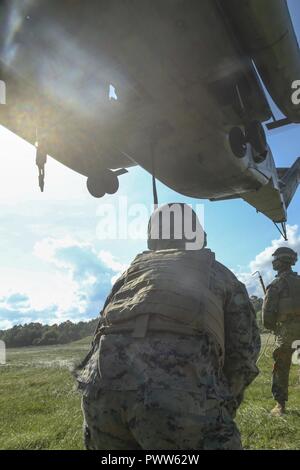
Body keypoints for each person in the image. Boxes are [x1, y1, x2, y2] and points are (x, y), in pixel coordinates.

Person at [75, 203, 260, 450]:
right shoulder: (220, 275)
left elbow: (99, 336)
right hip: (179, 403)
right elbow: (243, 355)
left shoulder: (130, 275)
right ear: (196, 234)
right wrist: (223, 403)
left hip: (99, 398)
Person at [262, 247, 300, 416]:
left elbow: (267, 317)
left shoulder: (276, 285)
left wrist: (274, 327)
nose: (273, 262)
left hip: (287, 332)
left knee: (281, 367)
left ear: (280, 261)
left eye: (275, 259)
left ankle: (280, 406)